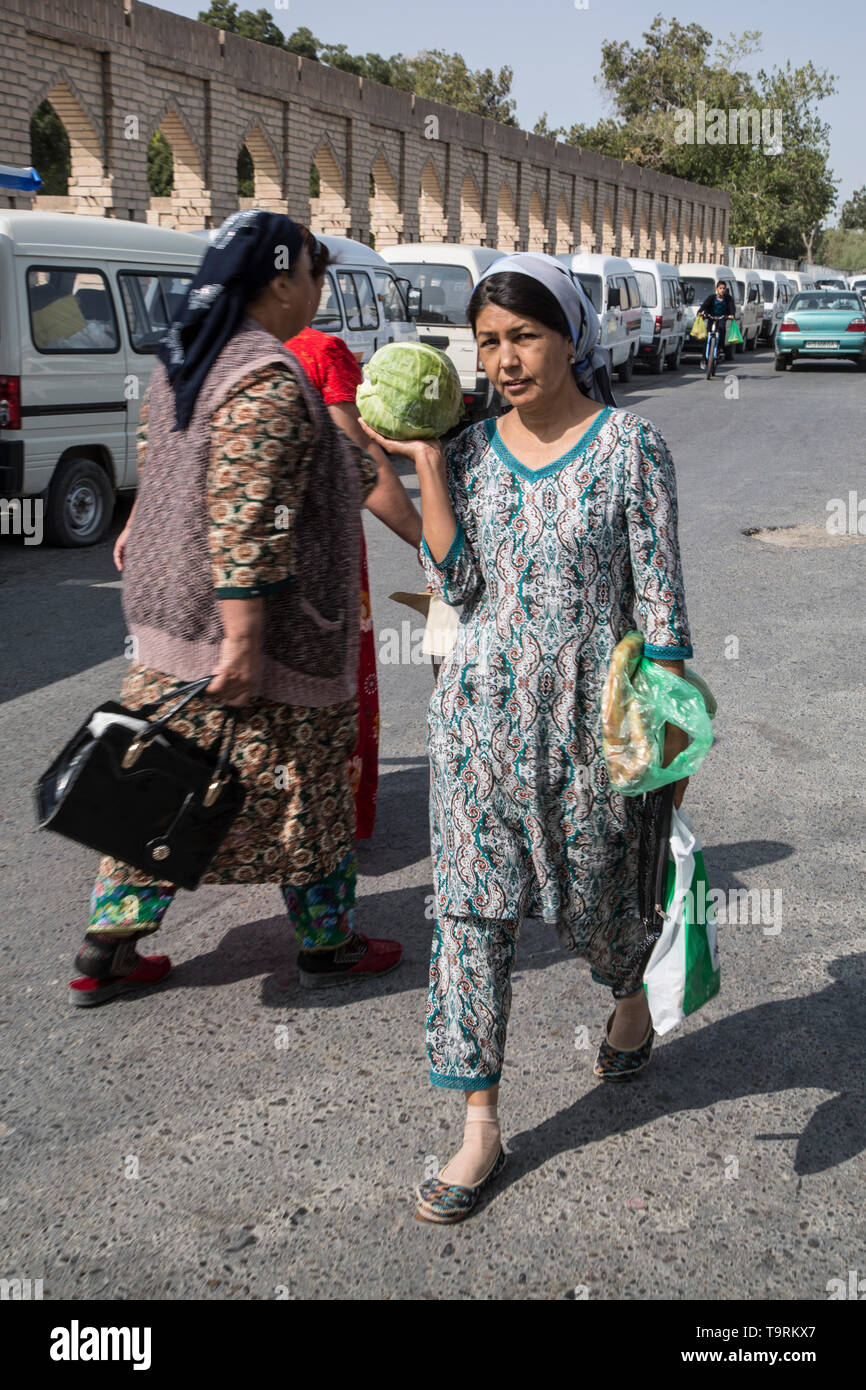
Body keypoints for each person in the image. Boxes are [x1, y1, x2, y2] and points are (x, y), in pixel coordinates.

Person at [361, 252, 694, 1223]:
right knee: (470, 920)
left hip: (592, 738)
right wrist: (426, 462)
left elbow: (663, 613)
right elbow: (454, 584)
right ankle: (479, 1127)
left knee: (601, 905)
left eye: (523, 337)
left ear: (569, 336)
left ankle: (627, 994)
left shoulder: (632, 449)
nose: (504, 360)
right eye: (488, 343)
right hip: (475, 731)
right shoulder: (467, 453)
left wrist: (672, 744)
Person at [68, 210, 402, 1006]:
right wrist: (245, 641)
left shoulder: (188, 359)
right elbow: (248, 519)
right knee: (308, 789)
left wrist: (437, 539)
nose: (318, 291)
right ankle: (329, 944)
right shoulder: (265, 379)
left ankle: (106, 950)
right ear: (281, 280)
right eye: (315, 274)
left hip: (173, 627)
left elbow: (173, 473)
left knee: (158, 780)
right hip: (259, 640)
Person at [285, 247, 422, 837]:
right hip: (322, 556)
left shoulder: (201, 350)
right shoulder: (319, 353)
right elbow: (358, 457)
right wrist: (430, 543)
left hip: (221, 559)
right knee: (330, 691)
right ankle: (329, 821)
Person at [697, 279, 735, 366]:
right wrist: (700, 312)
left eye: (724, 288)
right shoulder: (711, 298)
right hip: (711, 317)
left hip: (722, 318)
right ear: (716, 289)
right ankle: (703, 359)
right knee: (707, 338)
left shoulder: (728, 299)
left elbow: (732, 307)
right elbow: (704, 305)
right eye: (720, 288)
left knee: (722, 331)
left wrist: (732, 315)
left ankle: (719, 350)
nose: (722, 290)